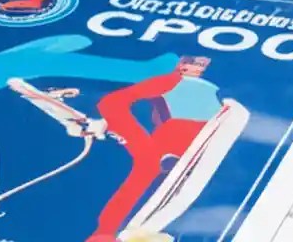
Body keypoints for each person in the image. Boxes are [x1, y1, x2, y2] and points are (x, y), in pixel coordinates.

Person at [86, 56, 222, 242]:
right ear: (181, 64)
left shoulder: (195, 86)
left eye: (202, 64)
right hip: (175, 139)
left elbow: (112, 104)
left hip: (188, 139)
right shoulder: (173, 81)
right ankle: (104, 233)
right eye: (193, 63)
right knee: (145, 172)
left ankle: (105, 232)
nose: (199, 67)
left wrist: (113, 125)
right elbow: (113, 103)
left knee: (149, 173)